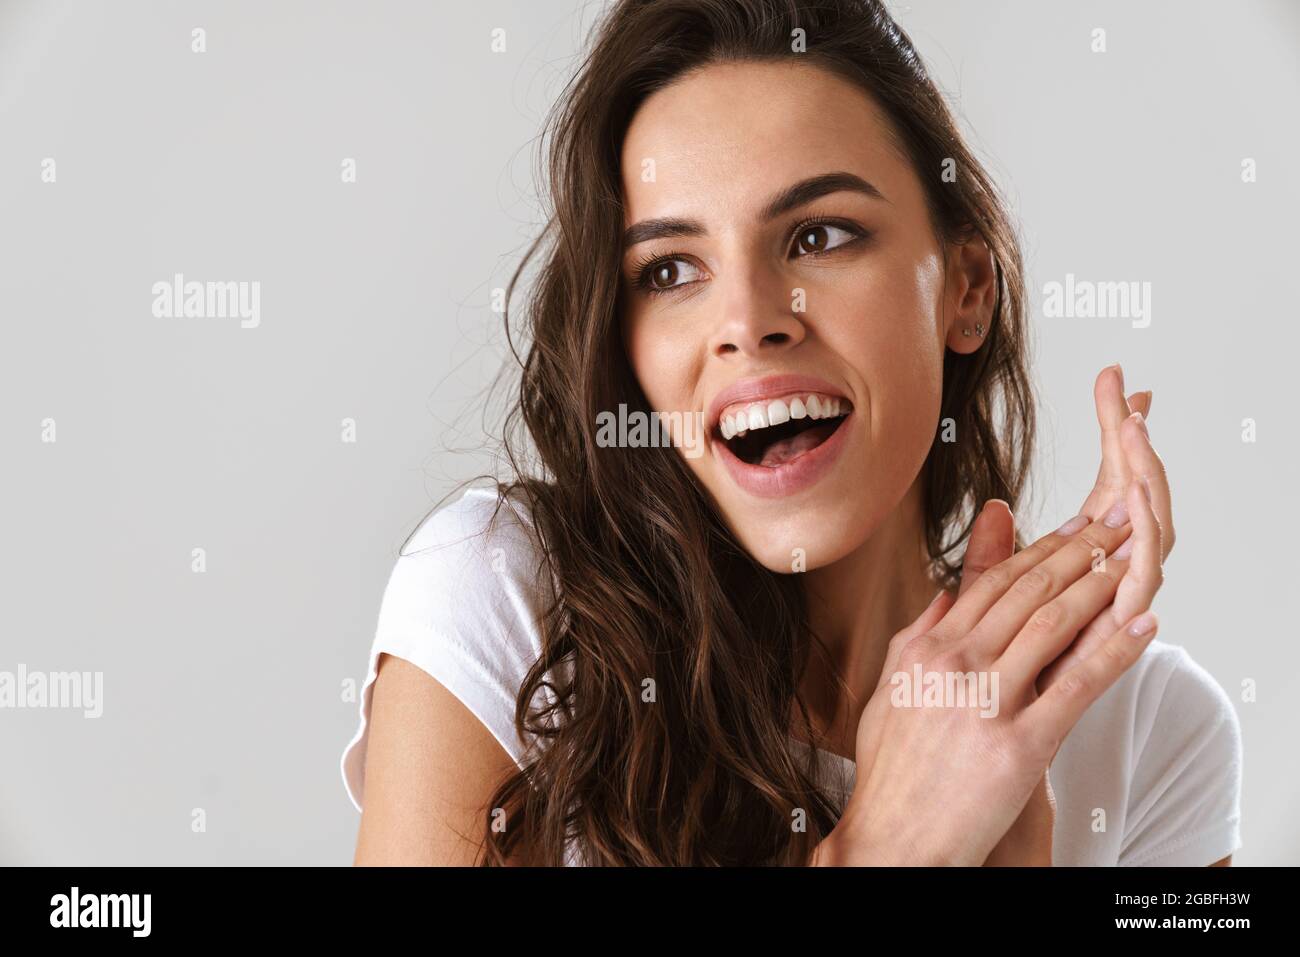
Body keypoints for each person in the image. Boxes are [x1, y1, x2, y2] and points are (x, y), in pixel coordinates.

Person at [342, 0, 1242, 866]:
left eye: (819, 235)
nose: (747, 320)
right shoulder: (503, 600)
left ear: (966, 287)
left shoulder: (1158, 733)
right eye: (671, 268)